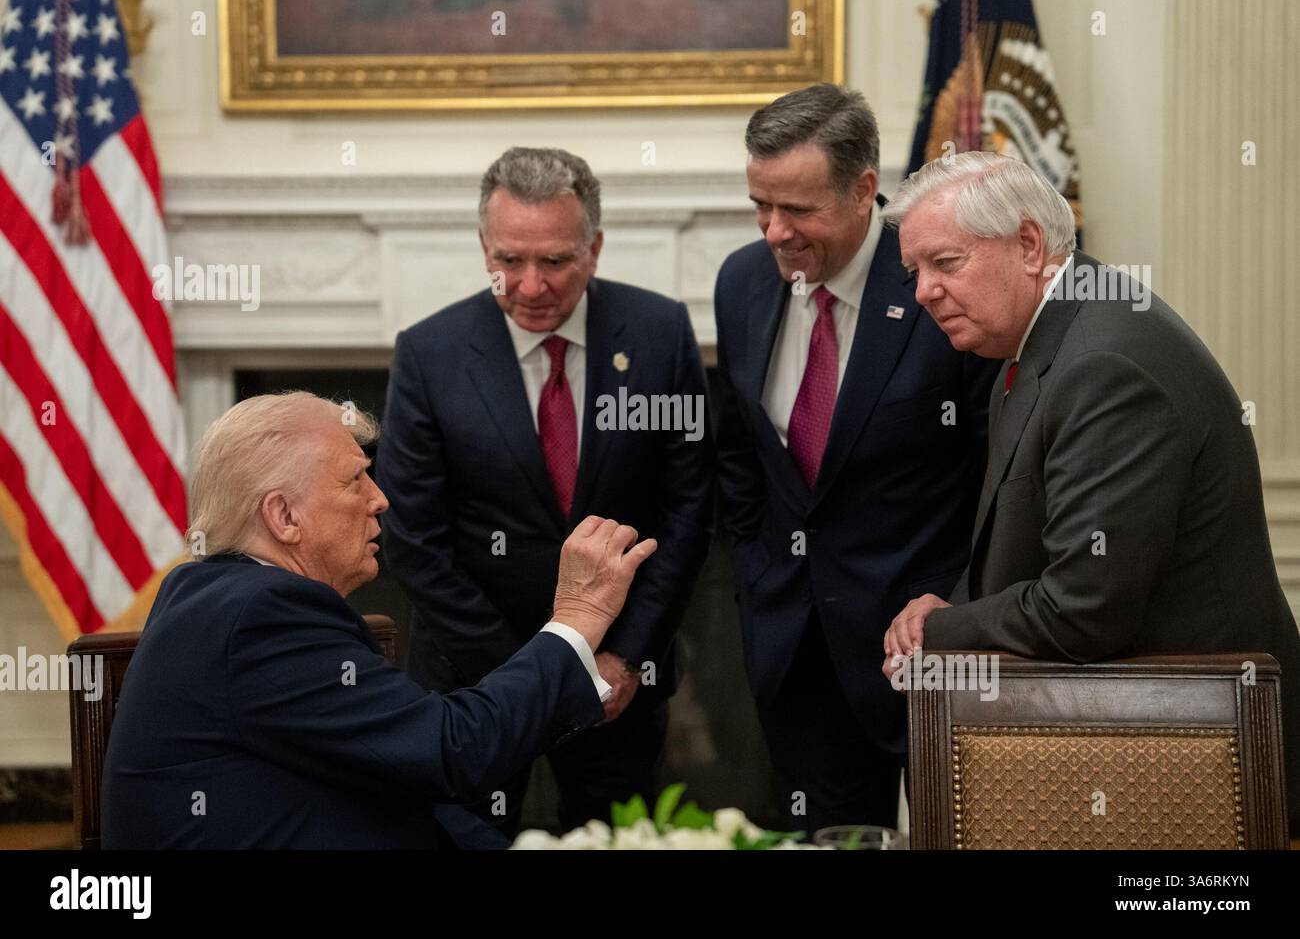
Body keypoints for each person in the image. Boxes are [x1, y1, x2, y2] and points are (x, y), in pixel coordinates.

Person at [880, 150, 1300, 832]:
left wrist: (939, 626)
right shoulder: (1053, 332)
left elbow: (1083, 608)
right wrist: (954, 606)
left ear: (1028, 244)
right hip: (1135, 747)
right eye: (914, 271)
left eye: (945, 263)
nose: (923, 291)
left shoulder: (1103, 362)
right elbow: (1026, 542)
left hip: (1190, 767)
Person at [101, 392, 656, 848]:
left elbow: (400, 783)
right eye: (355, 481)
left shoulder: (224, 594)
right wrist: (580, 616)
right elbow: (452, 750)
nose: (381, 499)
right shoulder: (261, 615)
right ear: (284, 515)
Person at [377, 147, 714, 836]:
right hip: (472, 685)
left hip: (619, 680)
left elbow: (688, 511)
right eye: (508, 260)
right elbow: (414, 538)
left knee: (616, 842)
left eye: (555, 261)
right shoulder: (429, 353)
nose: (530, 285)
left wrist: (620, 660)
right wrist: (535, 680)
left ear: (594, 247)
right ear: (483, 248)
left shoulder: (659, 335)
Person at [713, 84, 1000, 835]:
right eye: (760, 206)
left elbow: (998, 473)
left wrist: (963, 604)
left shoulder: (940, 284)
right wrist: (756, 567)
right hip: (795, 646)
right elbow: (742, 454)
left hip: (929, 646)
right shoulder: (741, 282)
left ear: (865, 190)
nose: (775, 232)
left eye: (799, 210)